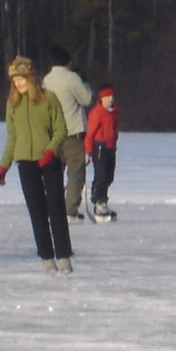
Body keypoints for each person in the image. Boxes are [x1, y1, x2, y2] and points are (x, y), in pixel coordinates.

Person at [0, 55, 74, 272]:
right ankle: (47, 258)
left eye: (21, 79)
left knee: (56, 209)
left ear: (31, 78)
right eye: (14, 80)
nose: (18, 83)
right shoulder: (13, 104)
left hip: (49, 160)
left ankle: (64, 257)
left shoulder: (49, 99)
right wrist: (4, 166)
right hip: (25, 162)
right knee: (37, 211)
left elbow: (61, 129)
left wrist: (51, 150)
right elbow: (12, 136)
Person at [42, 46, 94, 220]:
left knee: (54, 174)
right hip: (72, 133)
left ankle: (52, 208)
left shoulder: (47, 80)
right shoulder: (71, 78)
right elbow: (86, 99)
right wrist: (83, 82)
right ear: (68, 62)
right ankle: (69, 210)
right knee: (76, 173)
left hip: (53, 135)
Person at [86, 85, 119, 222]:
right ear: (102, 98)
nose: (111, 99)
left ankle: (103, 202)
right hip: (100, 147)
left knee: (109, 176)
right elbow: (89, 134)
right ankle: (98, 202)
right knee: (101, 176)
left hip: (111, 147)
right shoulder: (97, 113)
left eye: (112, 96)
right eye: (108, 97)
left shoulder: (114, 112)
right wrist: (88, 151)